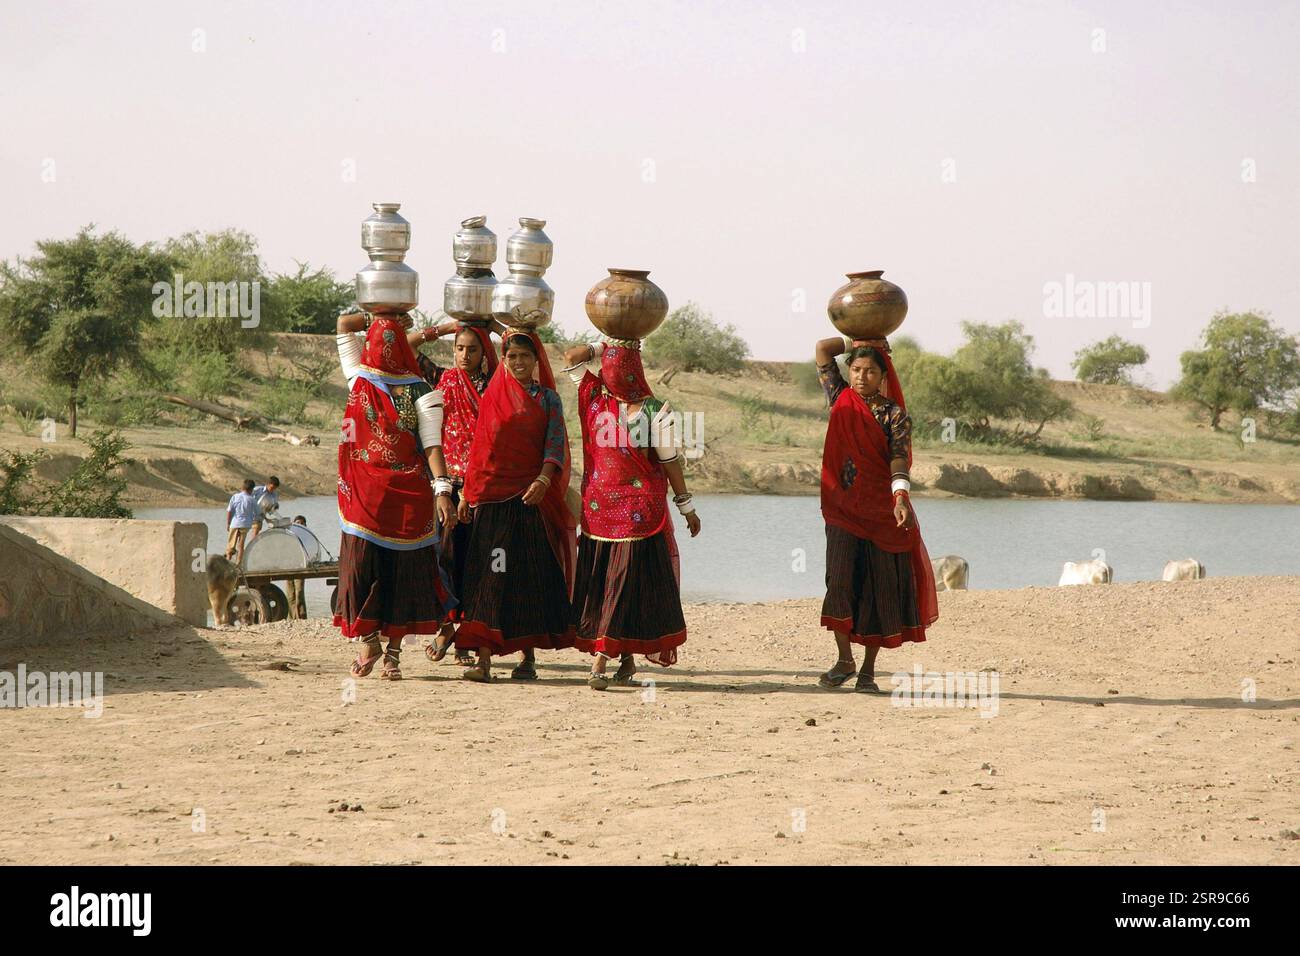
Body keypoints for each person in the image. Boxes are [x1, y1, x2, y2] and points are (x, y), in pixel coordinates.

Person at [562, 339, 701, 690]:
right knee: (606, 581)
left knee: (622, 582)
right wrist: (606, 343)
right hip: (599, 510)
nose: (612, 373)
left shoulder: (656, 410)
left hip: (640, 510)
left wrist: (686, 506)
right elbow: (571, 357)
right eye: (608, 366)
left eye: (619, 366)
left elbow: (669, 461)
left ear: (634, 369)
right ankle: (626, 660)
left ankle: (601, 659)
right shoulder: (595, 397)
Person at [332, 308, 457, 680]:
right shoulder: (359, 378)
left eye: (391, 341)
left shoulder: (422, 391)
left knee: (402, 574)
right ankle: (370, 640)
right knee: (359, 570)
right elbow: (343, 324)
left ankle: (394, 653)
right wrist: (380, 315)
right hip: (362, 500)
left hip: (408, 498)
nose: (383, 348)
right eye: (377, 338)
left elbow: (433, 447)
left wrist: (443, 491)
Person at [813, 336, 939, 692]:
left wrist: (900, 498)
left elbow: (899, 457)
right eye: (855, 369)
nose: (861, 377)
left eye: (870, 371)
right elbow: (823, 349)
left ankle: (867, 671)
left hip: (883, 513)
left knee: (876, 589)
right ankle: (843, 660)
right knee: (838, 581)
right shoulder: (839, 397)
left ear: (884, 376)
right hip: (842, 510)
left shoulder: (894, 415)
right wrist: (859, 337)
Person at [453, 329, 576, 682]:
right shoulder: (494, 396)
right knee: (491, 575)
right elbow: (481, 448)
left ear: (537, 361)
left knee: (526, 578)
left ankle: (528, 659)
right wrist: (467, 495)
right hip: (492, 502)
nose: (519, 362)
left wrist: (542, 480)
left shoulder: (548, 399)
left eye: (525, 356)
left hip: (528, 502)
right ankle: (485, 660)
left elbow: (555, 446)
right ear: (504, 361)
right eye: (512, 357)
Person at [409, 317, 509, 669]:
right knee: (443, 558)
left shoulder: (497, 384)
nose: (464, 355)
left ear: (485, 353)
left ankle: (465, 637)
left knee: (477, 563)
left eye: (472, 349)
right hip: (446, 486)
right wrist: (443, 328)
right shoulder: (444, 380)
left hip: (484, 486)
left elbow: (524, 350)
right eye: (459, 348)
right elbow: (407, 347)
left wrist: (497, 326)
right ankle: (448, 625)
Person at [225, 479, 259, 565]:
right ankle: (238, 563)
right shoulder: (252, 500)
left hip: (234, 523)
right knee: (241, 545)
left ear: (242, 487)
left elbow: (229, 511)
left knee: (231, 543)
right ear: (251, 489)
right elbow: (258, 513)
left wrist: (228, 523)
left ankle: (228, 561)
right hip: (245, 524)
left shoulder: (235, 496)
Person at [285, 515, 310, 620]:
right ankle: (292, 617)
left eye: (301, 523)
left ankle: (301, 616)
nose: (299, 525)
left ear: (305, 525)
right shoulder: (289, 535)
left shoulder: (307, 537)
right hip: (289, 567)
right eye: (297, 523)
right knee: (290, 594)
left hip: (300, 567)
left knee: (299, 592)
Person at [247, 475, 281, 542]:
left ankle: (252, 549)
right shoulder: (257, 490)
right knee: (242, 532)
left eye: (274, 488)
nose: (272, 490)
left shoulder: (274, 495)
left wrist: (275, 506)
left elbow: (273, 508)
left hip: (260, 516)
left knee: (255, 533)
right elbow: (247, 498)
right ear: (268, 484)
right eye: (271, 488)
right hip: (248, 514)